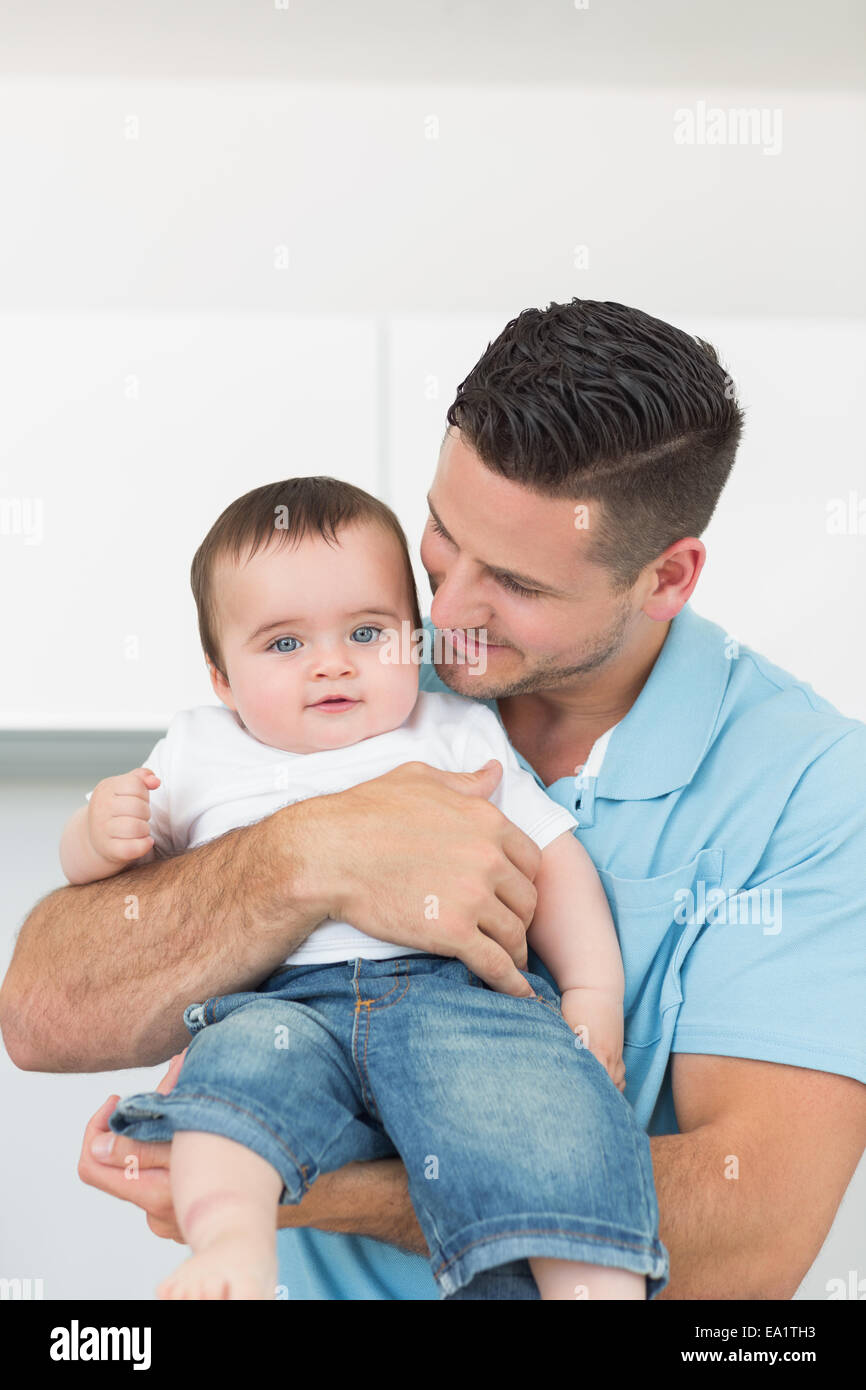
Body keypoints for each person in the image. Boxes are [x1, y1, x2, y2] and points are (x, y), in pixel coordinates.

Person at [3, 299, 865, 1301]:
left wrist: (311, 1180)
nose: (442, 618)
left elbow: (747, 1235)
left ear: (663, 576)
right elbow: (41, 1011)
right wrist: (309, 853)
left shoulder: (810, 791)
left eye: (514, 584)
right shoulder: (352, 654)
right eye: (442, 538)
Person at [56, 475, 668, 1301]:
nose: (332, 664)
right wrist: (97, 829)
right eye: (283, 645)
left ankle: (591, 1289)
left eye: (369, 631)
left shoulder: (453, 730)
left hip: (455, 995)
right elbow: (99, 877)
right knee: (224, 1091)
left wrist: (593, 991)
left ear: (416, 640)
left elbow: (553, 856)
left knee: (549, 1117)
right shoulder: (198, 750)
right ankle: (230, 1247)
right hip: (278, 1007)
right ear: (222, 678)